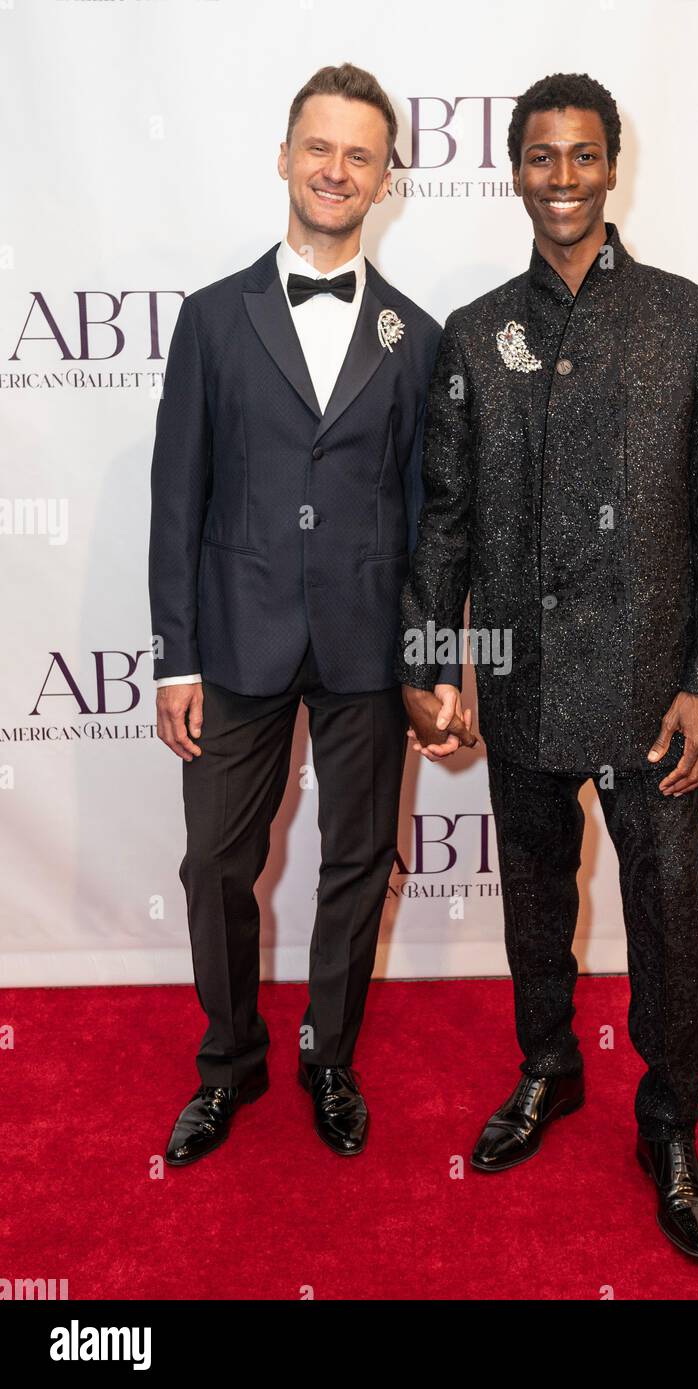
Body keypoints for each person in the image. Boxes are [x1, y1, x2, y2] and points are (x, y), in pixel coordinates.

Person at [397, 72, 698, 1258]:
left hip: (653, 688)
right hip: (525, 672)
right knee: (536, 899)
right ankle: (549, 1067)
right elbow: (443, 515)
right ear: (513, 169)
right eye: (540, 156)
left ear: (612, 166)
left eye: (582, 156)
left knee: (664, 913)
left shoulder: (687, 317)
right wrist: (426, 655)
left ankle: (670, 1121)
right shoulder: (473, 330)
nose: (562, 178)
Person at [148, 62, 463, 1167]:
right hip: (233, 634)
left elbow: (436, 520)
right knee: (214, 866)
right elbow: (176, 495)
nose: (335, 170)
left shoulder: (419, 340)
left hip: (370, 646)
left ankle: (328, 1054)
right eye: (318, 148)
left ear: (387, 180)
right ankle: (230, 1061)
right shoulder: (209, 320)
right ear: (285, 157)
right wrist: (175, 657)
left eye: (360, 155)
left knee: (357, 861)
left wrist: (431, 662)